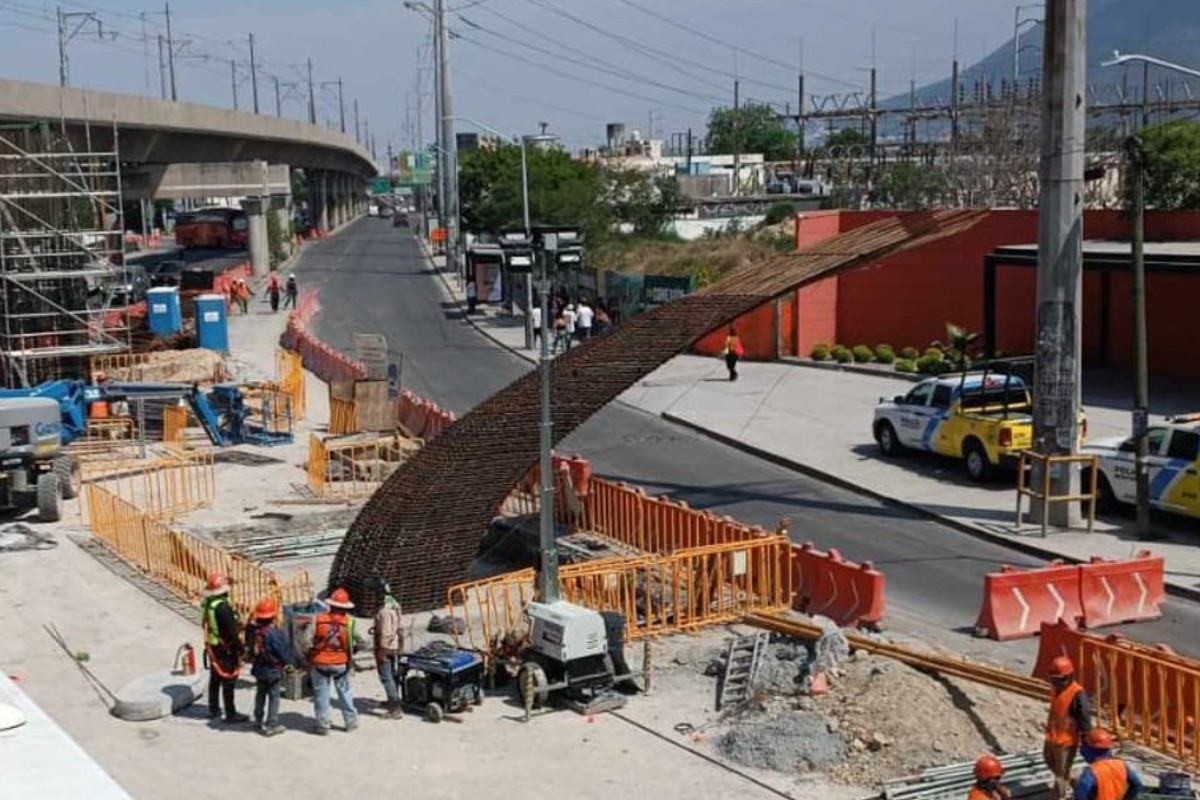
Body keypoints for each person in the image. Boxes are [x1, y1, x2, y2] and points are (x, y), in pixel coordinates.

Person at [307, 587, 359, 735]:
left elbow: (307, 641)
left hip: (320, 663)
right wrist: (352, 651)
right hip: (341, 664)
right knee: (345, 693)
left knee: (321, 695)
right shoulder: (349, 623)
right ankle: (351, 722)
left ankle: (323, 725)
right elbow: (361, 642)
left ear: (331, 605)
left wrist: (309, 654)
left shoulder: (317, 619)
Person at [200, 572, 248, 724]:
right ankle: (230, 713)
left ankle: (213, 709)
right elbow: (232, 632)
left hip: (214, 646)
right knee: (228, 680)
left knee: (215, 679)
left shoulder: (210, 603)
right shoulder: (222, 608)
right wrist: (241, 649)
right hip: (225, 648)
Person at [1045, 655, 1093, 799]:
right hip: (1052, 736)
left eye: (1058, 680)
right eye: (1054, 679)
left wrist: (1086, 738)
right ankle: (1071, 780)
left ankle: (1058, 796)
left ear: (1069, 676)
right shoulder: (1056, 688)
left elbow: (1084, 718)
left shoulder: (1077, 693)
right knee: (1049, 761)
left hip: (1066, 741)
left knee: (1060, 773)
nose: (1055, 682)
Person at [245, 597, 291, 736]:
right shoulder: (274, 634)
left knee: (260, 695)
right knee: (274, 697)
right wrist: (288, 664)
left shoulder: (253, 631)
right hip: (272, 670)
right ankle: (271, 724)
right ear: (273, 617)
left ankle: (258, 721)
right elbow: (282, 652)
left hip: (259, 669)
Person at [1073, 728, 1143, 800]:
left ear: (1090, 750)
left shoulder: (1091, 772)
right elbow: (1137, 784)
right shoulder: (1121, 765)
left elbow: (1080, 795)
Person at [372, 582, 404, 719]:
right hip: (395, 644)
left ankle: (394, 708)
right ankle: (393, 699)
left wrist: (381, 651)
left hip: (386, 647)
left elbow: (385, 632)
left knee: (386, 676)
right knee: (392, 674)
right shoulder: (395, 604)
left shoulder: (384, 611)